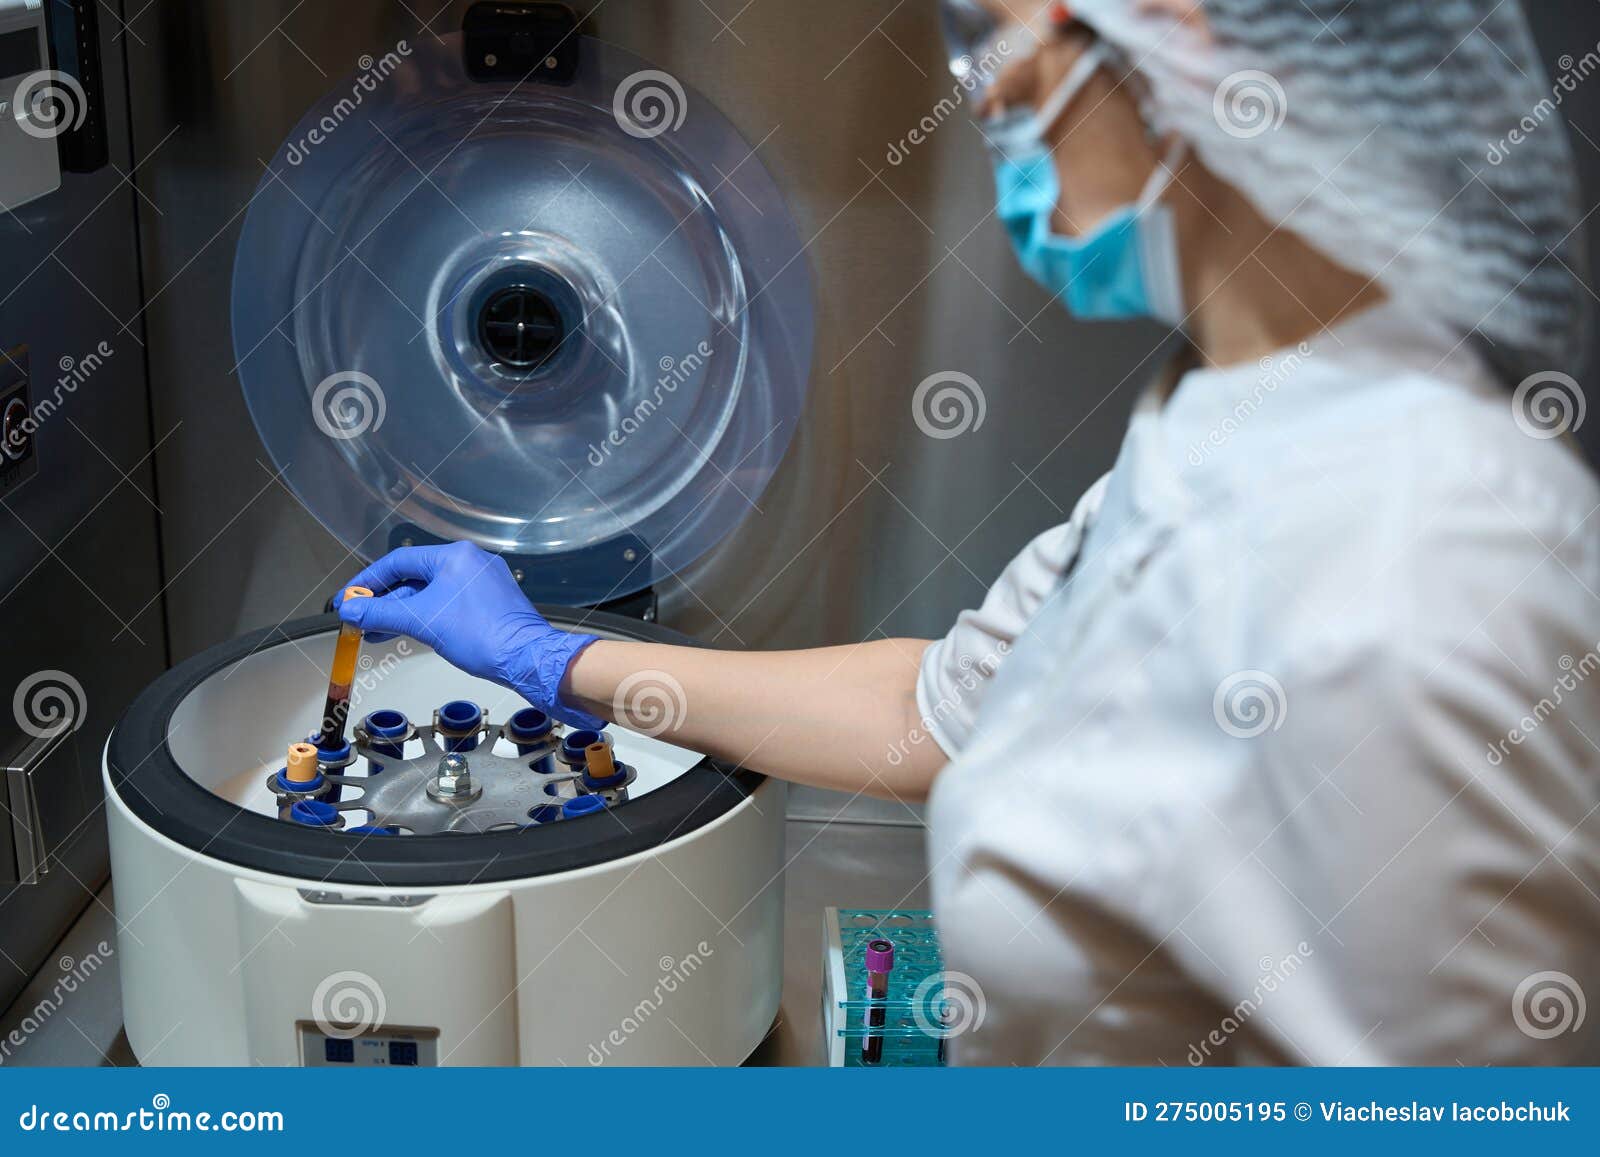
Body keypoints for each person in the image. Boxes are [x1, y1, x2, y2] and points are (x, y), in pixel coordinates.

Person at [339, 0, 1600, 1064]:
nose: (984, 105)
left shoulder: (1422, 555)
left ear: (1182, 32)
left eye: (991, 41)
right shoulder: (1223, 431)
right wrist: (550, 658)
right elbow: (938, 708)